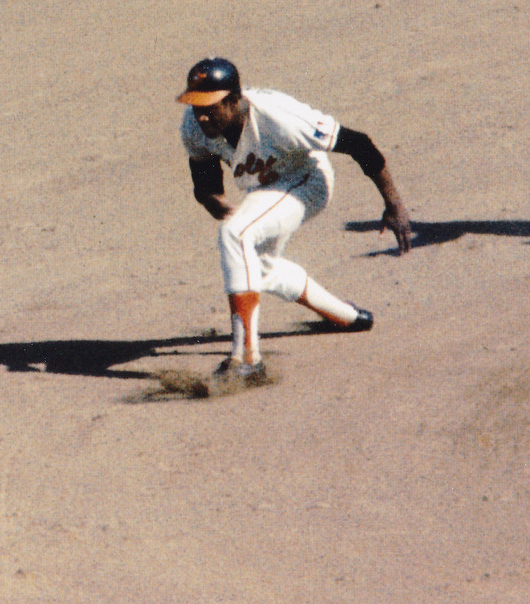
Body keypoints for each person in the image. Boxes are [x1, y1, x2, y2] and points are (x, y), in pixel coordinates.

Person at [176, 57, 411, 379]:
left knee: (235, 234)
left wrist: (394, 204)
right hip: (263, 190)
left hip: (308, 182)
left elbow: (360, 144)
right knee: (257, 266)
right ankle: (347, 317)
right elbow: (206, 183)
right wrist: (217, 204)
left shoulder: (279, 116)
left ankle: (247, 359)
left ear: (234, 100)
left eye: (209, 106)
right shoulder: (194, 126)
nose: (200, 115)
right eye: (195, 105)